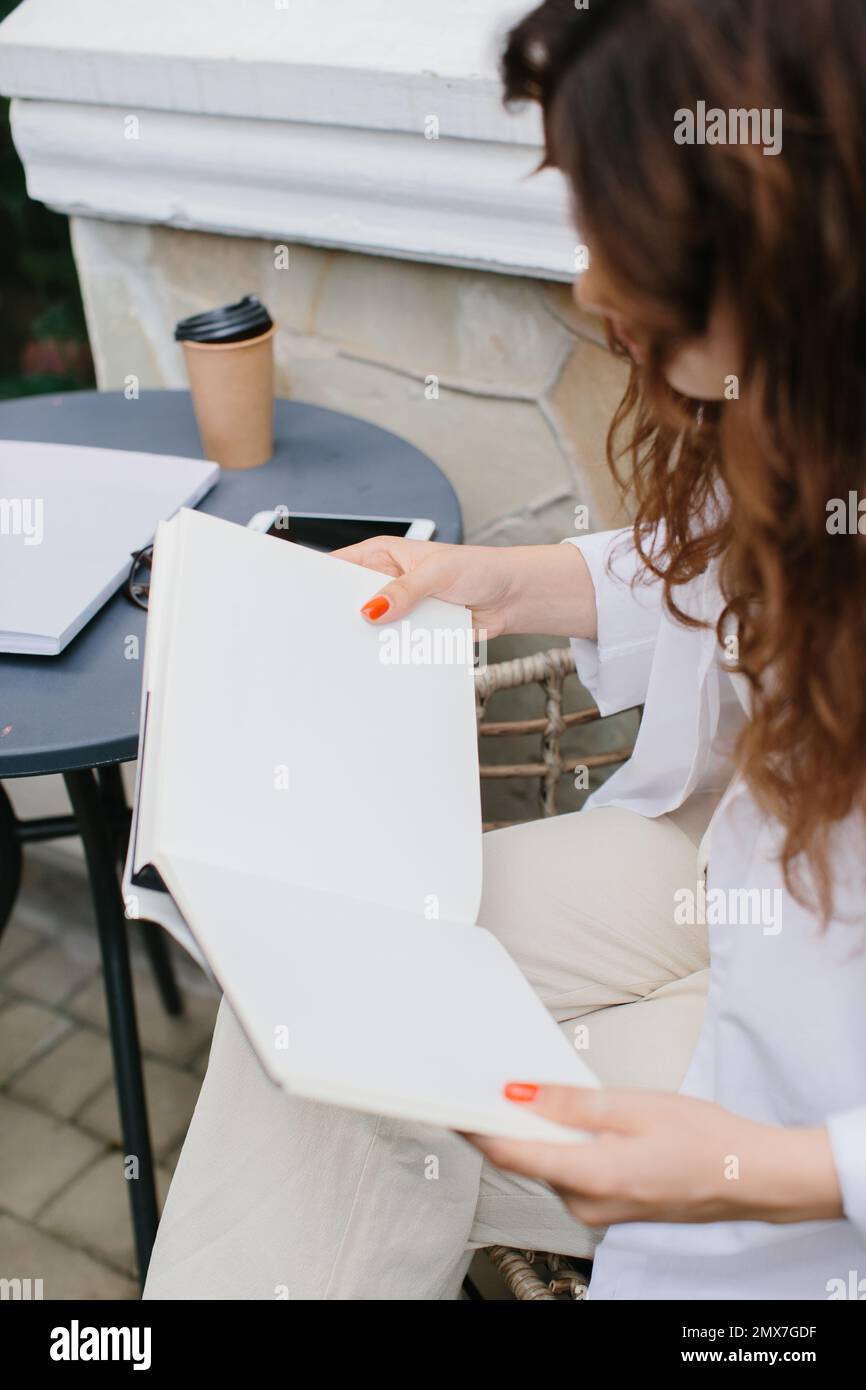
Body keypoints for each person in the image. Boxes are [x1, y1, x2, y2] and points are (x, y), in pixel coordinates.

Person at [143, 0, 866, 1300]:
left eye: (619, 232)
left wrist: (764, 1171)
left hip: (821, 1108)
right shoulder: (788, 411)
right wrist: (484, 579)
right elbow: (699, 571)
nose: (588, 285)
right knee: (318, 987)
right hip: (733, 870)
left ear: (781, 242)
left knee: (384, 1106)